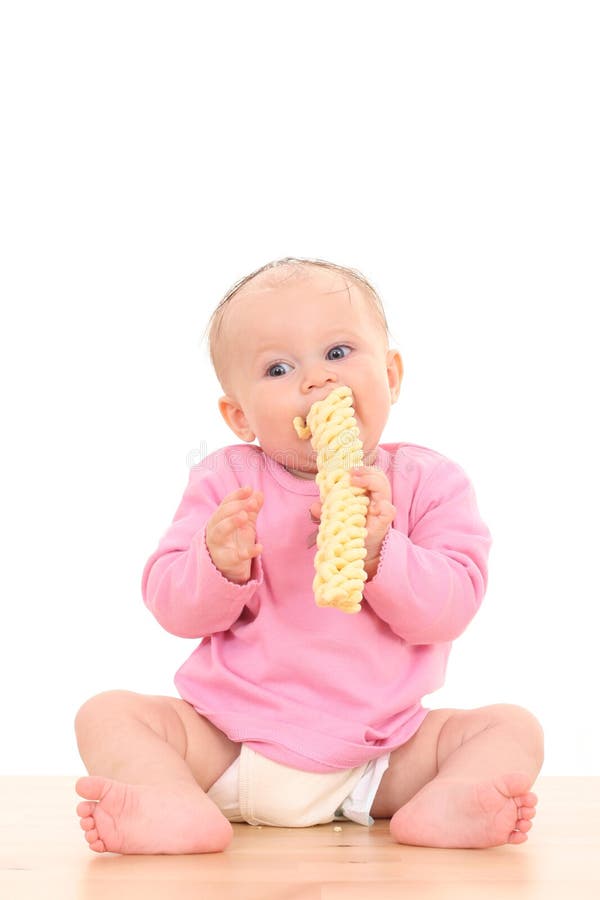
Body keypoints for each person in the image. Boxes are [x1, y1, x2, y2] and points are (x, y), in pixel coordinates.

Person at [74, 257, 544, 855]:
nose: (317, 381)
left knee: (511, 727)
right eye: (278, 367)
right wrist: (217, 561)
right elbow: (172, 608)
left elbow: (451, 608)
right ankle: (172, 806)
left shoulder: (430, 481)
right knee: (108, 713)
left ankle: (446, 806)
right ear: (239, 415)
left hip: (382, 753)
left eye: (340, 353)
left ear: (392, 376)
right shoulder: (226, 480)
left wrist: (381, 551)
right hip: (229, 740)